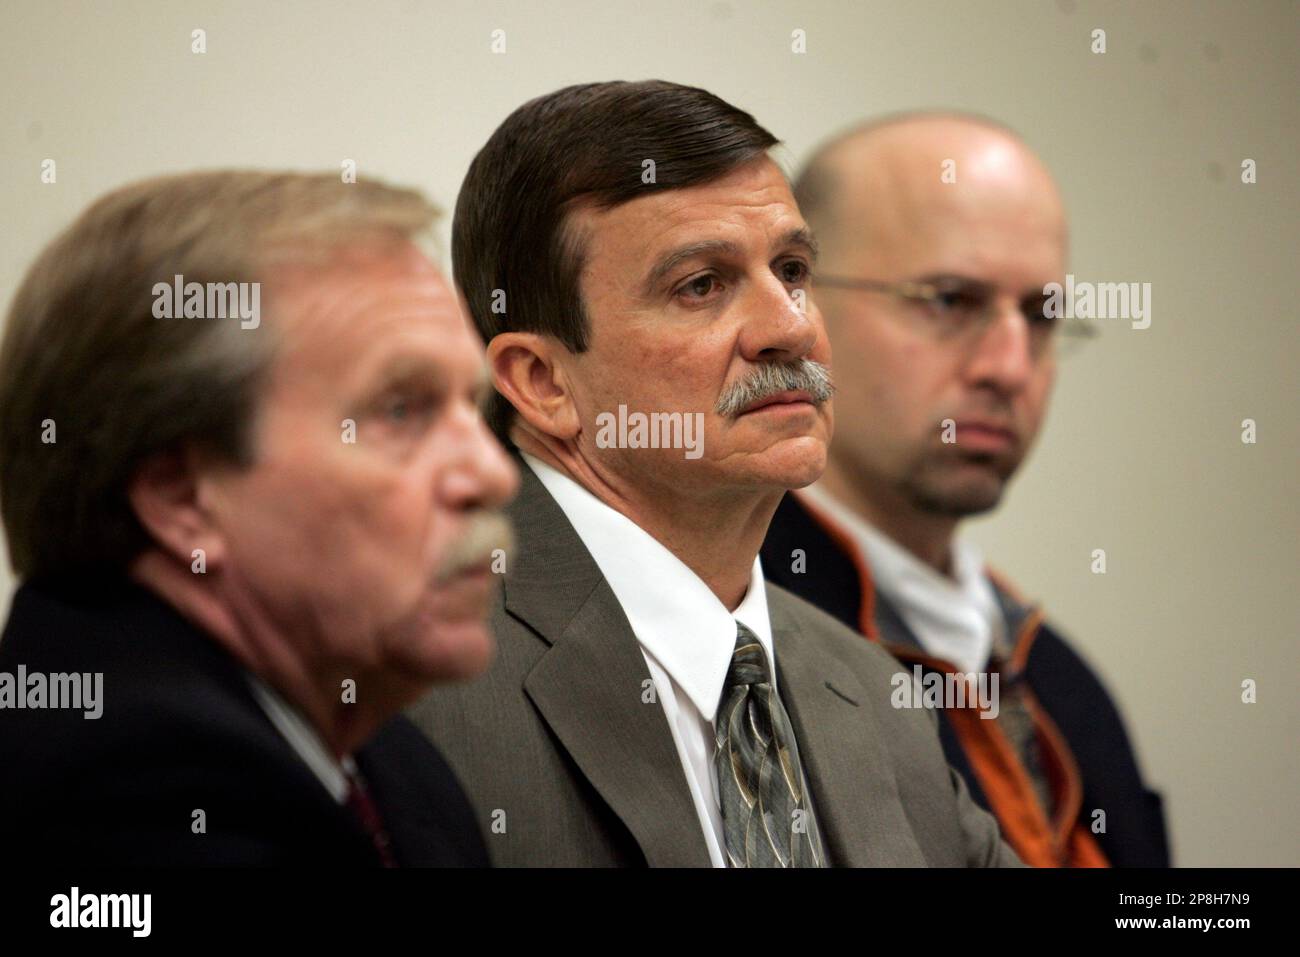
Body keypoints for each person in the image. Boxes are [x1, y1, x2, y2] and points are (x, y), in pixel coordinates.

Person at [409, 81, 1021, 867]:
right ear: (542, 381)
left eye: (794, 270)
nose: (790, 328)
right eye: (701, 285)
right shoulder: (411, 670)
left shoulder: (871, 688)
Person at [0, 171, 518, 866]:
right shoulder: (118, 797)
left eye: (470, 407)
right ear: (183, 497)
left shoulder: (383, 757)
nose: (491, 473)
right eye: (401, 410)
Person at [761, 113, 1169, 866]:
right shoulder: (738, 645)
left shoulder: (1059, 678)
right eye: (950, 300)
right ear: (798, 309)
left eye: (1042, 315)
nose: (1010, 367)